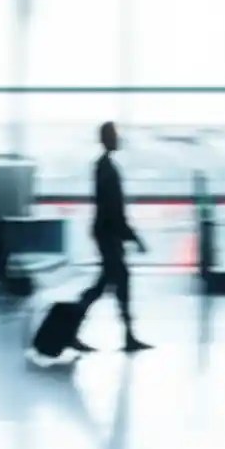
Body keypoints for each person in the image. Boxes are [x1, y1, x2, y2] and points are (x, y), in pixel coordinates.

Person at [73, 122, 152, 353]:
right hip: (109, 234)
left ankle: (74, 330)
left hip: (108, 234)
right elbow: (112, 208)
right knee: (115, 282)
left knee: (106, 284)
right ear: (106, 139)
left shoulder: (104, 166)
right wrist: (132, 236)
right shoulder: (106, 168)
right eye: (114, 135)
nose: (118, 139)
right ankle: (125, 336)